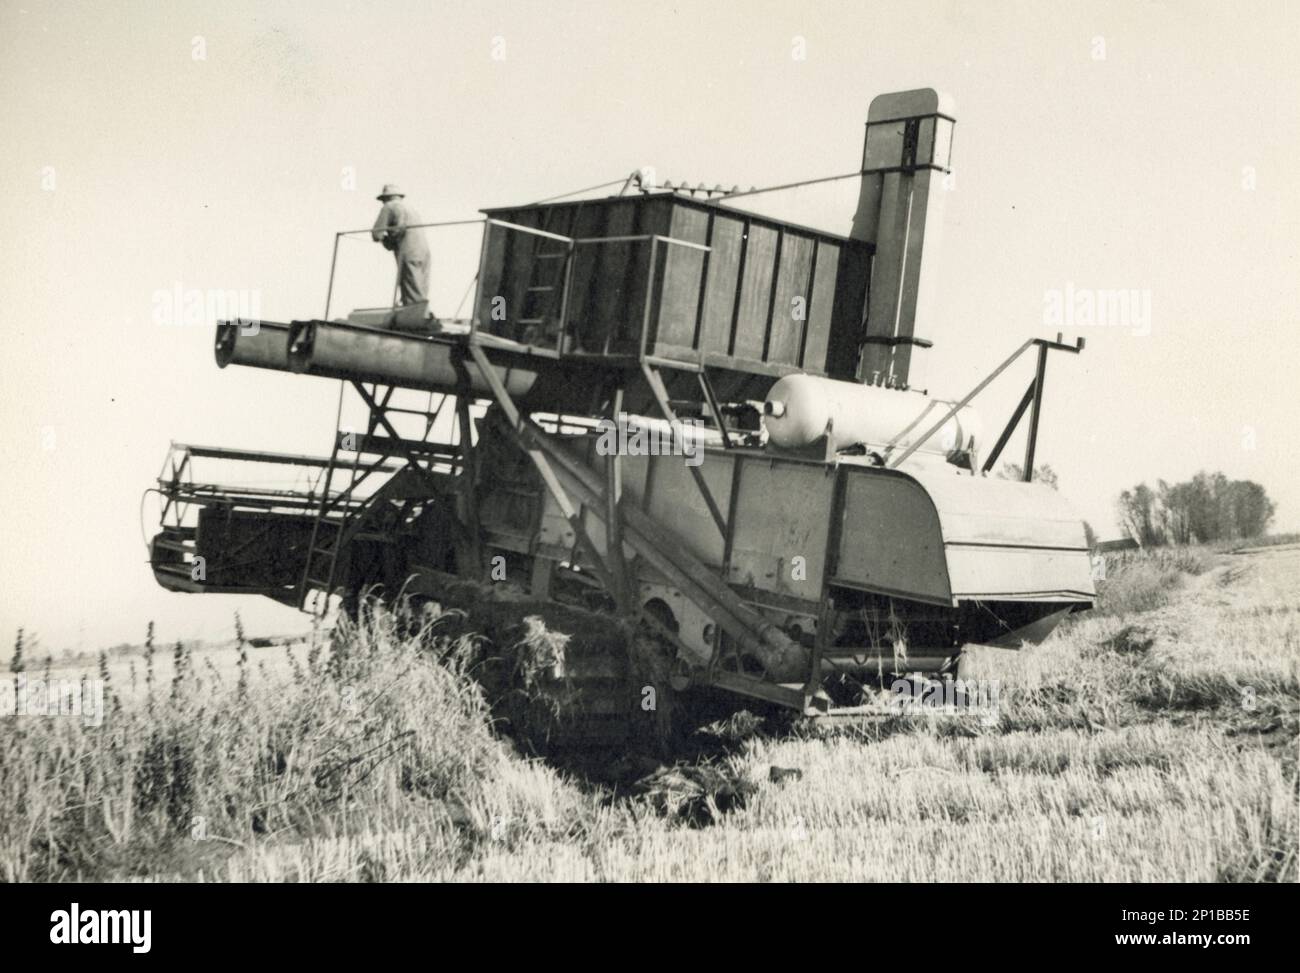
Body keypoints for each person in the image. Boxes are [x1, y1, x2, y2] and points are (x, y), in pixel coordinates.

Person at [371, 184, 431, 307]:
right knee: (420, 289)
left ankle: (413, 319)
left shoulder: (389, 206)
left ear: (386, 198)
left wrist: (386, 241)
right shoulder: (411, 209)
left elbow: (376, 234)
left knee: (411, 291)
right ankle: (420, 315)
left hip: (407, 252)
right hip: (424, 253)